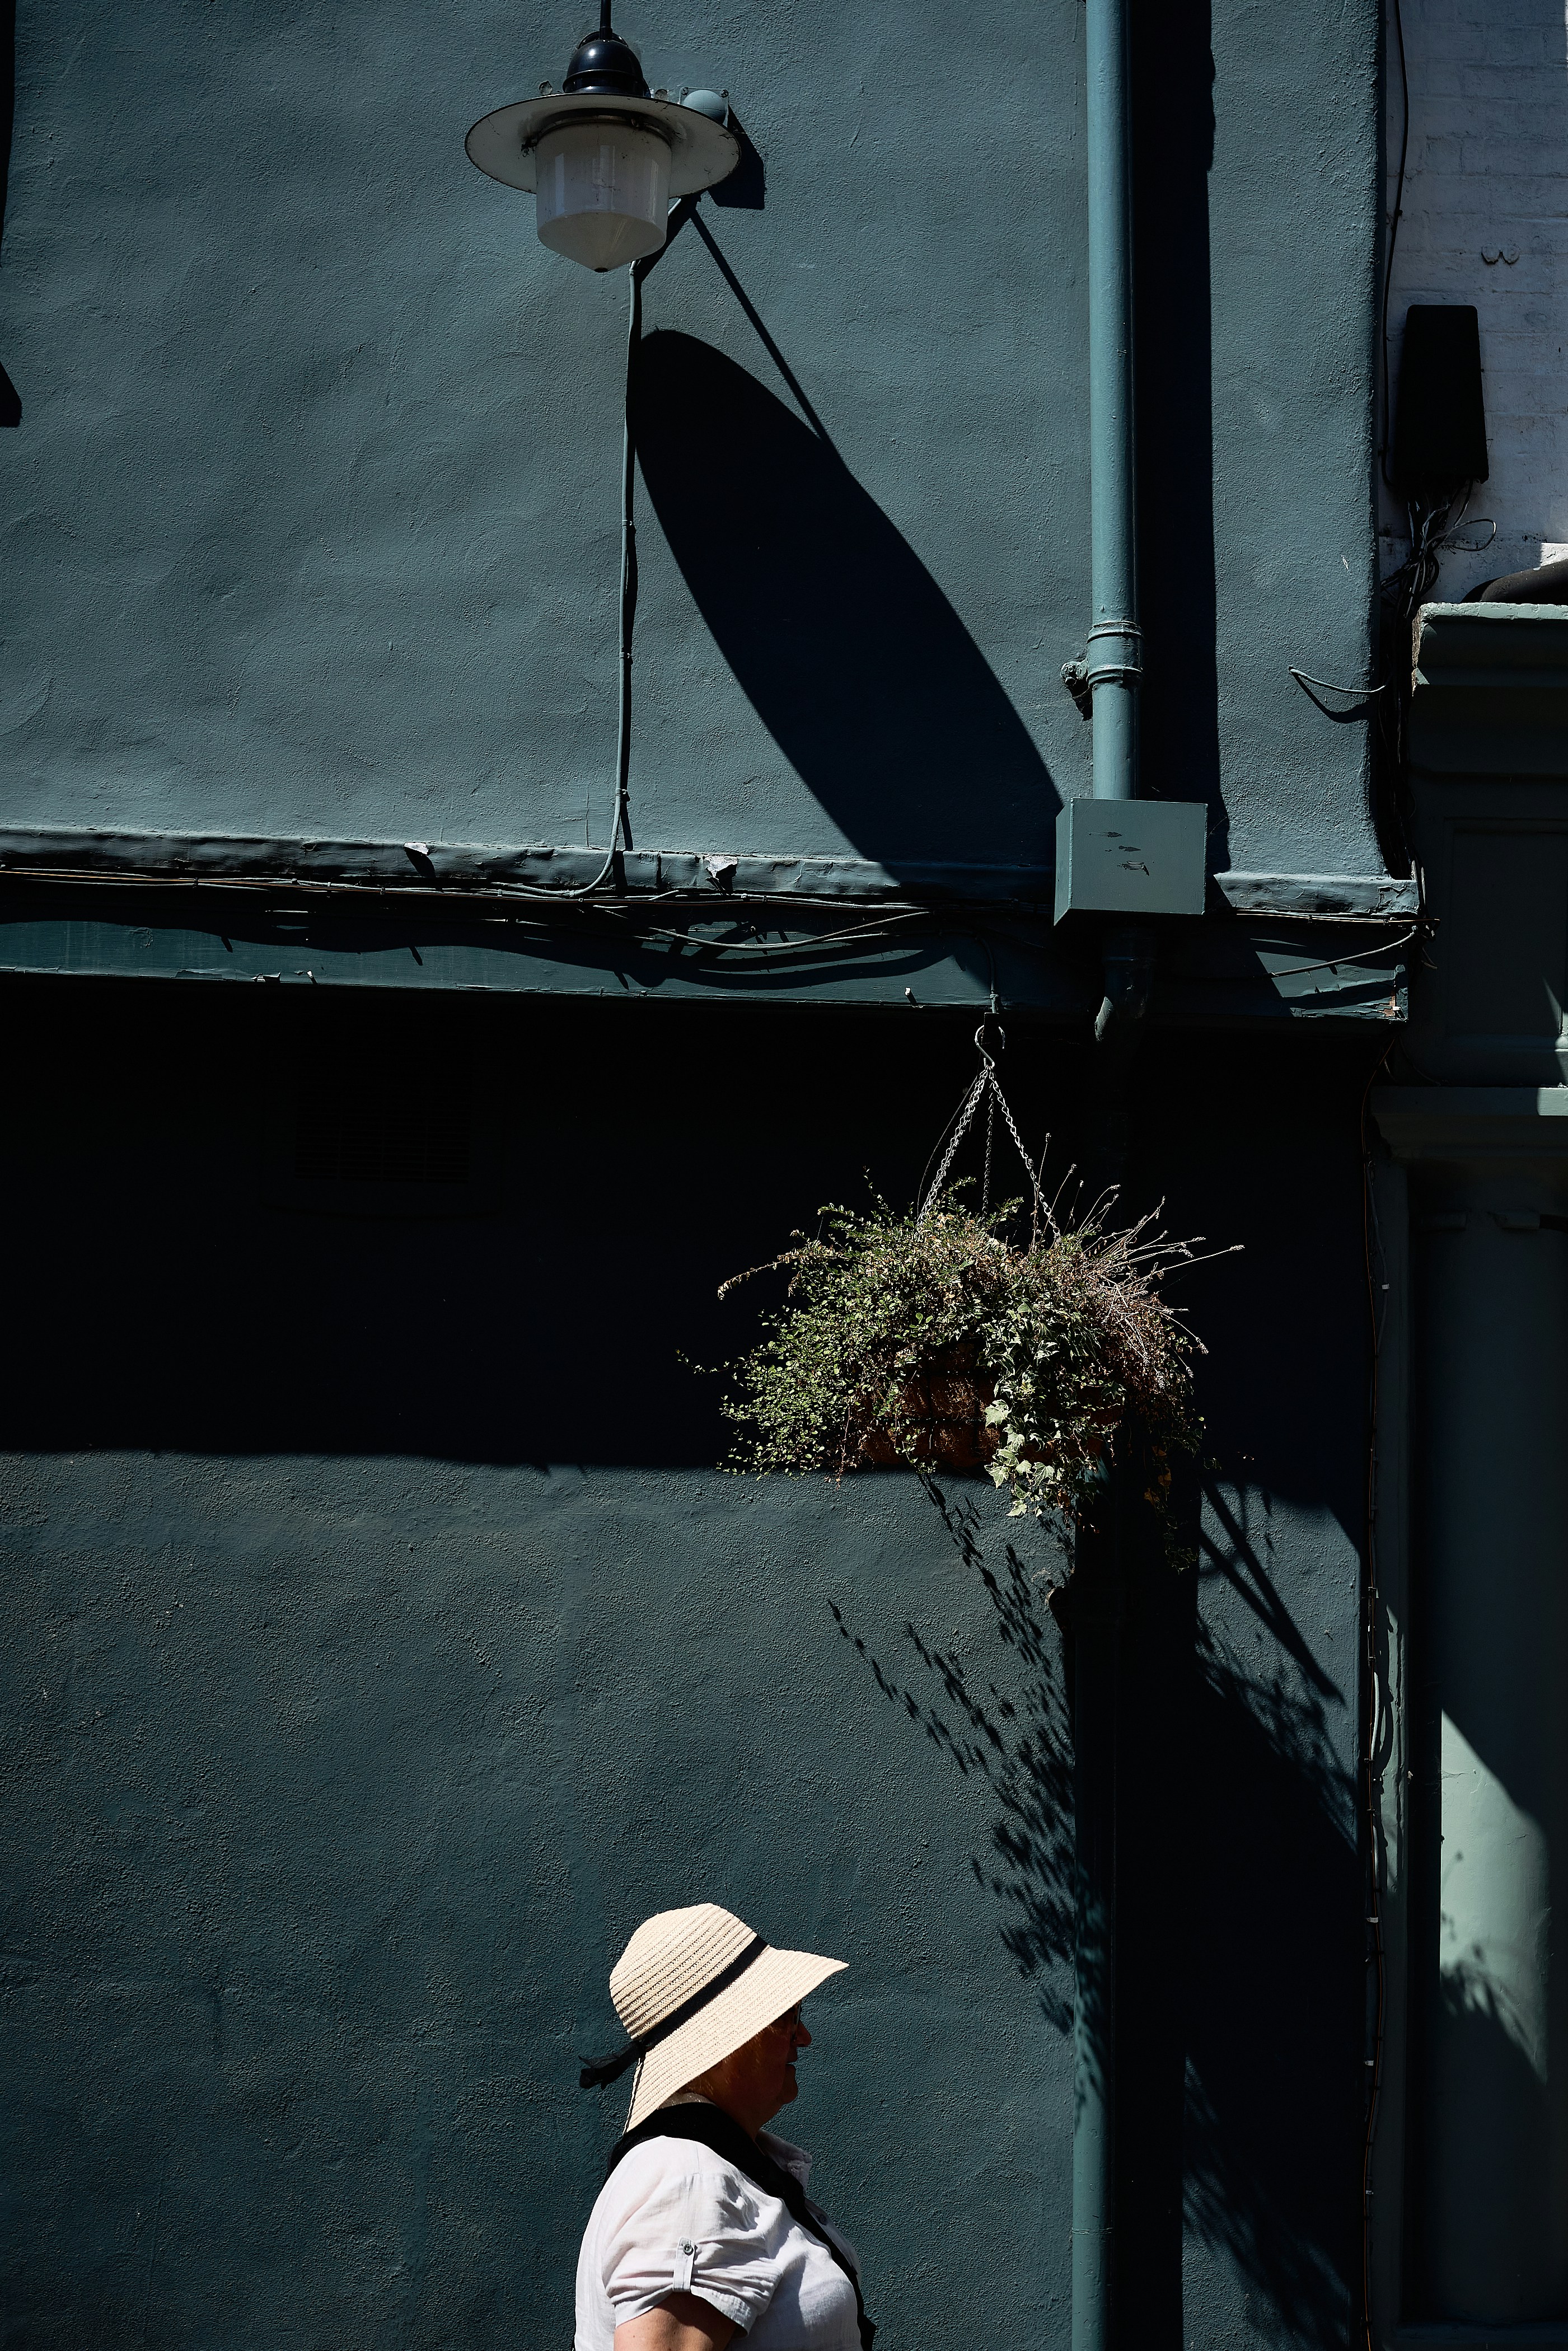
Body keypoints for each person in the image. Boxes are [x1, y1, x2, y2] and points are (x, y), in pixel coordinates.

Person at [574, 1903, 874, 2351]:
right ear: (729, 2040)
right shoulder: (688, 2183)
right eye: (788, 2015)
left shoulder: (708, 2166)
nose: (804, 2036)